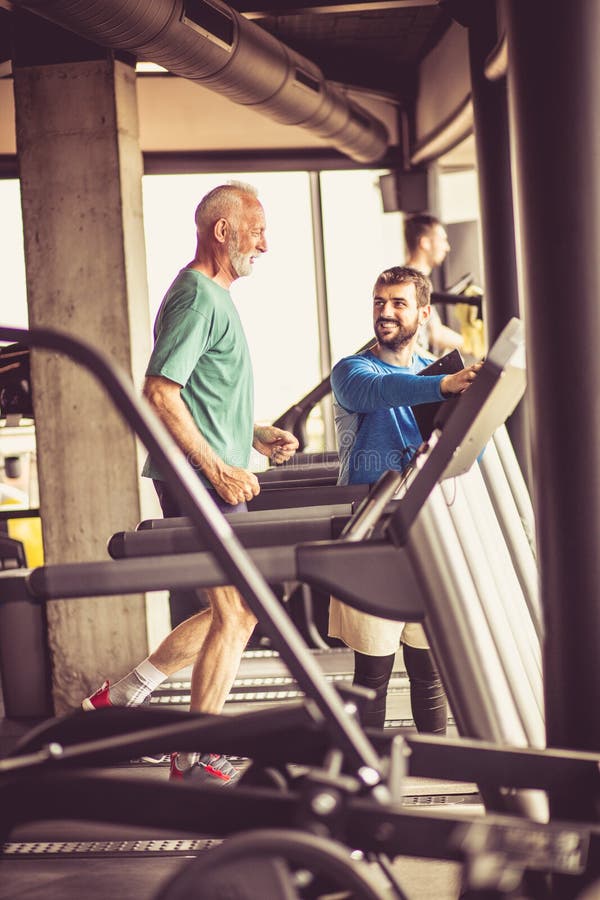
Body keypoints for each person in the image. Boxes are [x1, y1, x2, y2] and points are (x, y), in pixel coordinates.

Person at [83, 181, 298, 784]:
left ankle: (125, 696)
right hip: (199, 483)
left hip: (207, 477)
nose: (266, 242)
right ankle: (195, 757)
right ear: (222, 231)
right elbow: (159, 392)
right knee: (236, 612)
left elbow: (196, 393)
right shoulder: (198, 297)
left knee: (239, 608)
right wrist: (219, 468)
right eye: (256, 229)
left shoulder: (210, 295)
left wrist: (249, 434)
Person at [328, 265, 481, 732]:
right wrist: (443, 387)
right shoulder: (354, 370)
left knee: (429, 669)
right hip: (372, 531)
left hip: (428, 530)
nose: (386, 312)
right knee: (371, 673)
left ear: (422, 312)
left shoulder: (433, 371)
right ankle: (368, 785)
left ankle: (438, 769)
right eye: (379, 302)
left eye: (398, 303)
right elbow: (381, 391)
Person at [404, 213, 465, 357]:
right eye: (442, 240)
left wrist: (470, 345)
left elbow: (434, 331)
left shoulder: (421, 280)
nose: (447, 247)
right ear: (425, 243)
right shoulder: (409, 282)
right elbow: (410, 346)